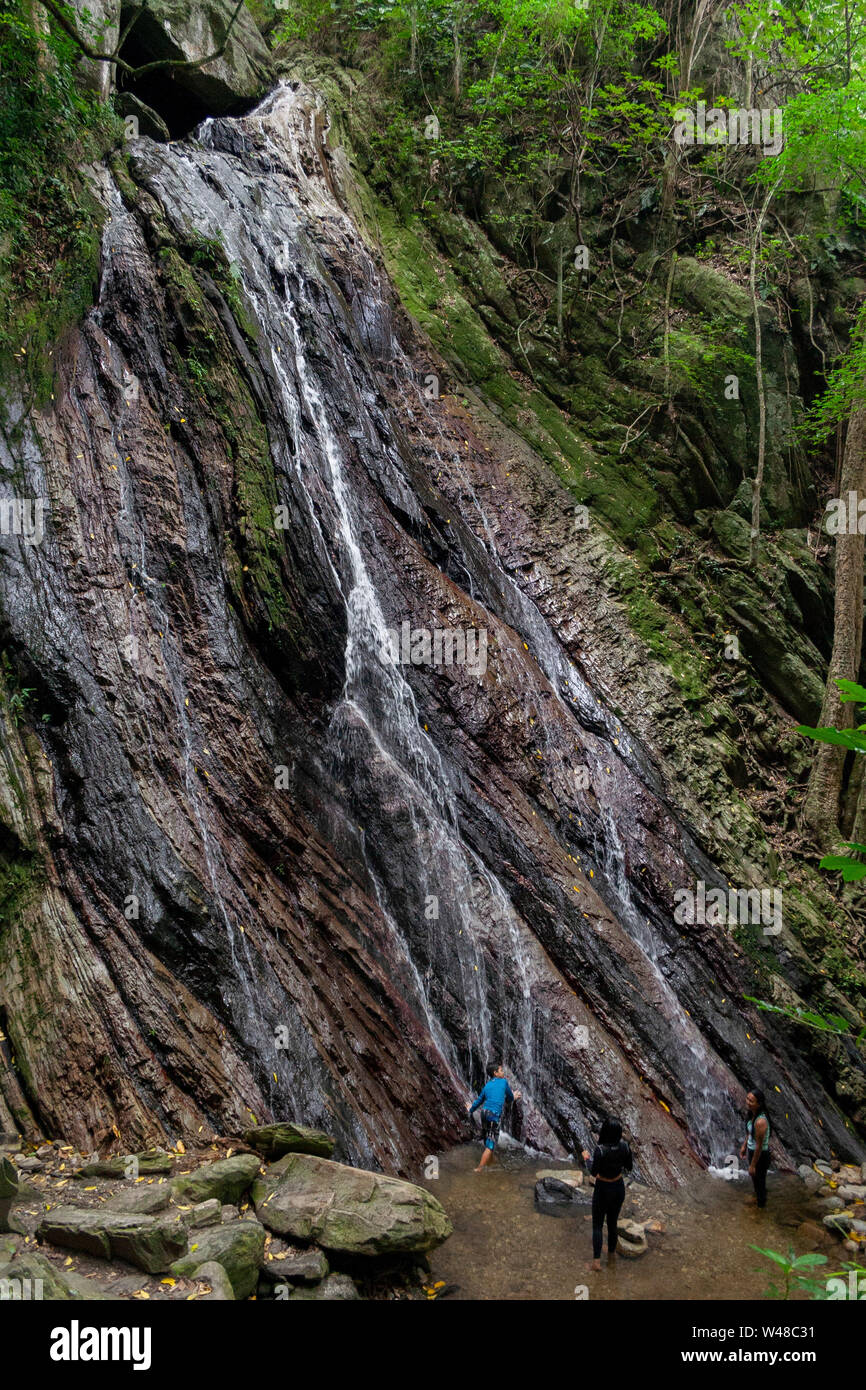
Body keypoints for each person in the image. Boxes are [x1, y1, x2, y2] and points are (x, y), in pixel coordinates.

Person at [582, 1117, 633, 1271]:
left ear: (604, 1132)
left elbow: (593, 1171)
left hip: (603, 1188)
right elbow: (629, 1167)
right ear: (618, 1133)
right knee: (612, 1223)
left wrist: (587, 1159)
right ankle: (611, 1256)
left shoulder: (600, 1150)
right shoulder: (625, 1147)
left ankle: (596, 1263)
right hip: (618, 1187)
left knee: (597, 1225)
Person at [466, 1063, 521, 1172]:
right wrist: (514, 1096)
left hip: (484, 1113)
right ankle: (479, 1169)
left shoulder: (487, 1085)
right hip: (493, 1115)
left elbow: (479, 1101)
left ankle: (490, 1161)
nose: (503, 1072)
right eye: (501, 1070)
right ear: (495, 1073)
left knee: (487, 1138)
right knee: (490, 1145)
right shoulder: (504, 1082)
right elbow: (509, 1097)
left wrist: (470, 1109)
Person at [739, 1088, 771, 1208]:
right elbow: (750, 1133)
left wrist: (752, 1165)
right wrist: (744, 1146)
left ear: (759, 1103)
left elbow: (759, 1146)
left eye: (751, 1101)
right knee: (756, 1180)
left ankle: (761, 1210)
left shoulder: (760, 1122)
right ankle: (759, 1199)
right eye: (747, 1098)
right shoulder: (752, 1114)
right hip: (753, 1151)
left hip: (761, 1155)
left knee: (760, 1181)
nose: (747, 1102)